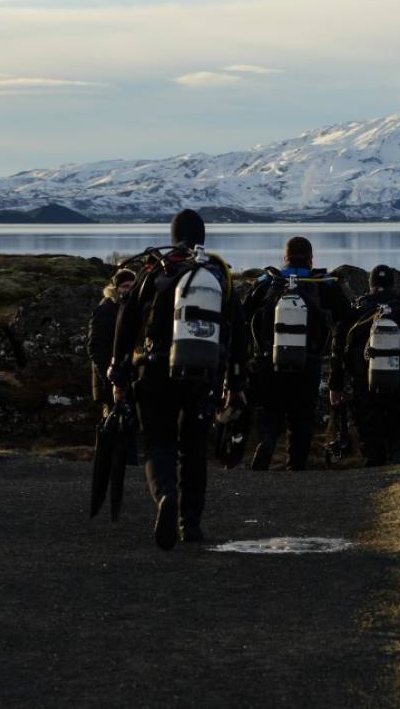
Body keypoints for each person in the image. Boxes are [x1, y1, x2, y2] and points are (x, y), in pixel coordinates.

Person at [108, 209, 246, 550]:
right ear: (203, 236)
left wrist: (119, 374)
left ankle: (165, 496)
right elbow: (238, 332)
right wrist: (236, 384)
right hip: (203, 374)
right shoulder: (218, 274)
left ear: (172, 235)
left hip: (155, 369)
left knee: (159, 443)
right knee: (194, 447)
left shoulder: (155, 268)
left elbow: (126, 320)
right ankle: (190, 524)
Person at [243, 236, 352, 471]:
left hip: (270, 362)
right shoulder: (322, 283)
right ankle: (296, 467)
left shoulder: (269, 281)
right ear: (311, 259)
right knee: (301, 417)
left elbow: (245, 312)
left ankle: (267, 446)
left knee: (271, 410)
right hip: (308, 362)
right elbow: (346, 313)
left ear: (285, 257)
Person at [334, 264, 400, 466]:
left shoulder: (358, 308)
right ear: (392, 284)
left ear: (370, 284)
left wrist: (336, 383)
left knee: (370, 432)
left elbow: (338, 344)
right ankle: (399, 463)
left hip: (364, 383)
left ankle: (374, 468)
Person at [88, 268, 138, 463]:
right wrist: (109, 376)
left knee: (123, 423)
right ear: (115, 288)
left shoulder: (128, 308)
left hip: (123, 377)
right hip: (108, 379)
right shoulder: (106, 309)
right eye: (125, 286)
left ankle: (119, 462)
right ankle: (113, 462)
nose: (128, 290)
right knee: (113, 421)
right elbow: (95, 346)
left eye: (132, 286)